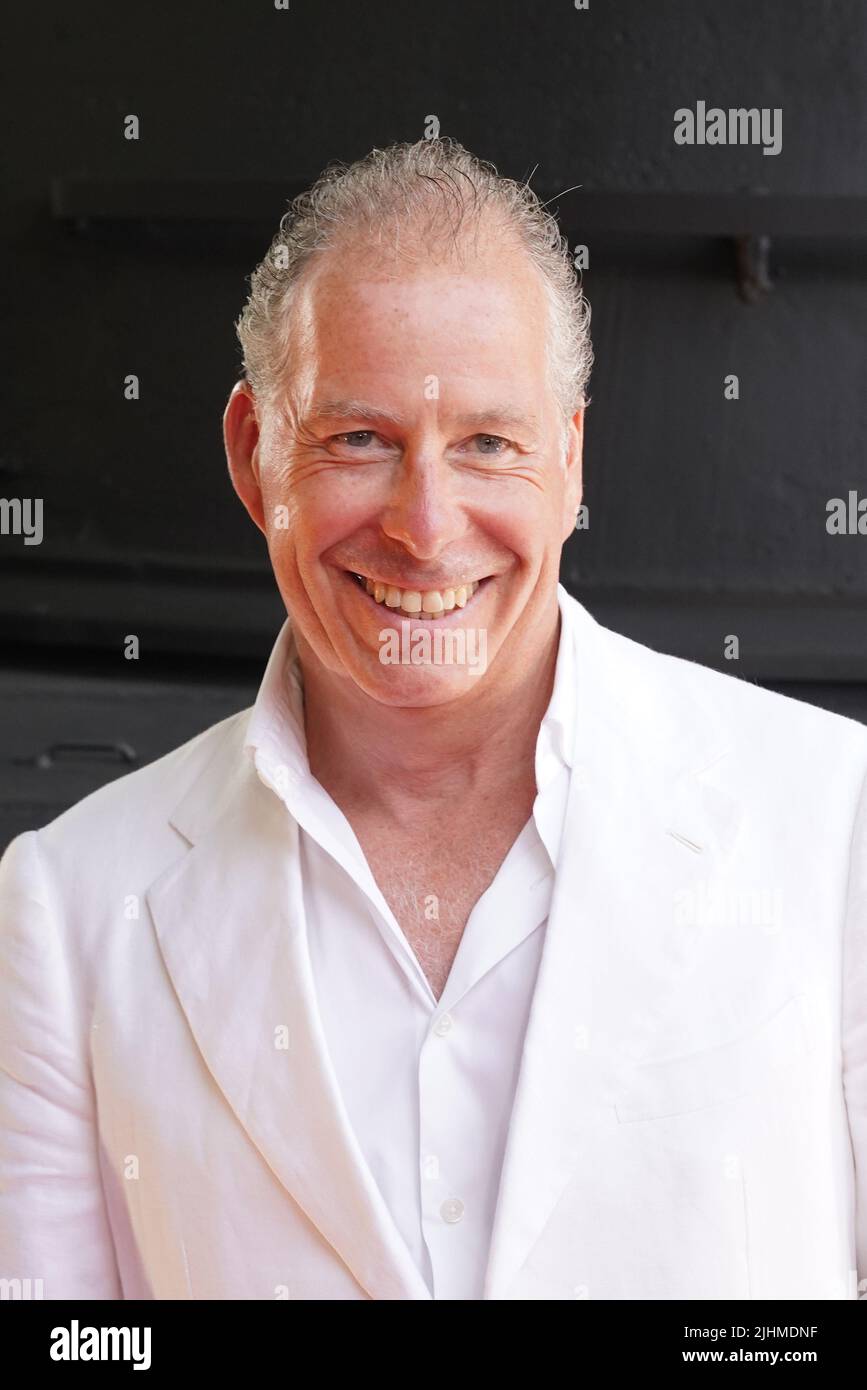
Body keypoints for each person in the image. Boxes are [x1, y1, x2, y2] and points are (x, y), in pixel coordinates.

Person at [1, 137, 866, 1301]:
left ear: (568, 460)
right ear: (256, 459)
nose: (424, 522)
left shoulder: (837, 824)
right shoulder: (63, 914)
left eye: (488, 444)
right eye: (359, 438)